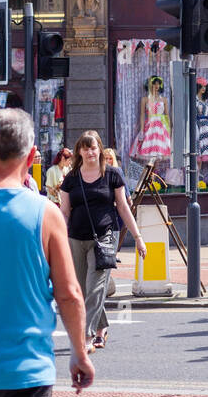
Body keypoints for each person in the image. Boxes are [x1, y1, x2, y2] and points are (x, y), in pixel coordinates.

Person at [0, 110, 95, 397]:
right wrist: (79, 353)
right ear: (31, 155)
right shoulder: (45, 214)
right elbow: (69, 294)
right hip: (24, 374)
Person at [59, 129, 146, 353]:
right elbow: (64, 212)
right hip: (76, 238)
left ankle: (86, 337)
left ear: (99, 149)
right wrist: (56, 239)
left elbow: (123, 207)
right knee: (82, 289)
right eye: (85, 148)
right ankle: (101, 328)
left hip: (105, 237)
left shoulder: (113, 174)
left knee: (95, 288)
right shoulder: (71, 178)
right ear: (79, 151)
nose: (90, 152)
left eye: (93, 147)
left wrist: (138, 237)